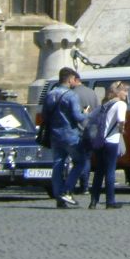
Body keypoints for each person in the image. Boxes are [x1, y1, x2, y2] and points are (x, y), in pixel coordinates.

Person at [42, 67, 88, 208]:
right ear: (69, 79)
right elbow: (77, 116)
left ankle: (59, 198)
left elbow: (45, 115)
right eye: (74, 79)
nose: (75, 82)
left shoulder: (50, 94)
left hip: (55, 135)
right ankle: (66, 190)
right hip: (70, 135)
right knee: (80, 162)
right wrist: (86, 114)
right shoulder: (71, 95)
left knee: (58, 164)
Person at [89, 81, 128, 210]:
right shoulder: (120, 104)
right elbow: (121, 120)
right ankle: (110, 201)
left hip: (100, 140)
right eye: (125, 91)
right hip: (112, 141)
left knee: (99, 171)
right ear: (118, 92)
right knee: (110, 171)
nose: (126, 94)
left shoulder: (105, 104)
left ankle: (93, 201)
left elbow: (91, 117)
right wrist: (122, 129)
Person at [70, 71, 100, 193]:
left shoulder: (72, 94)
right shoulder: (92, 93)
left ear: (76, 80)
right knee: (86, 158)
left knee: (76, 159)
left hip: (77, 130)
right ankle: (85, 186)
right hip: (91, 129)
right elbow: (97, 110)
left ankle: (71, 184)